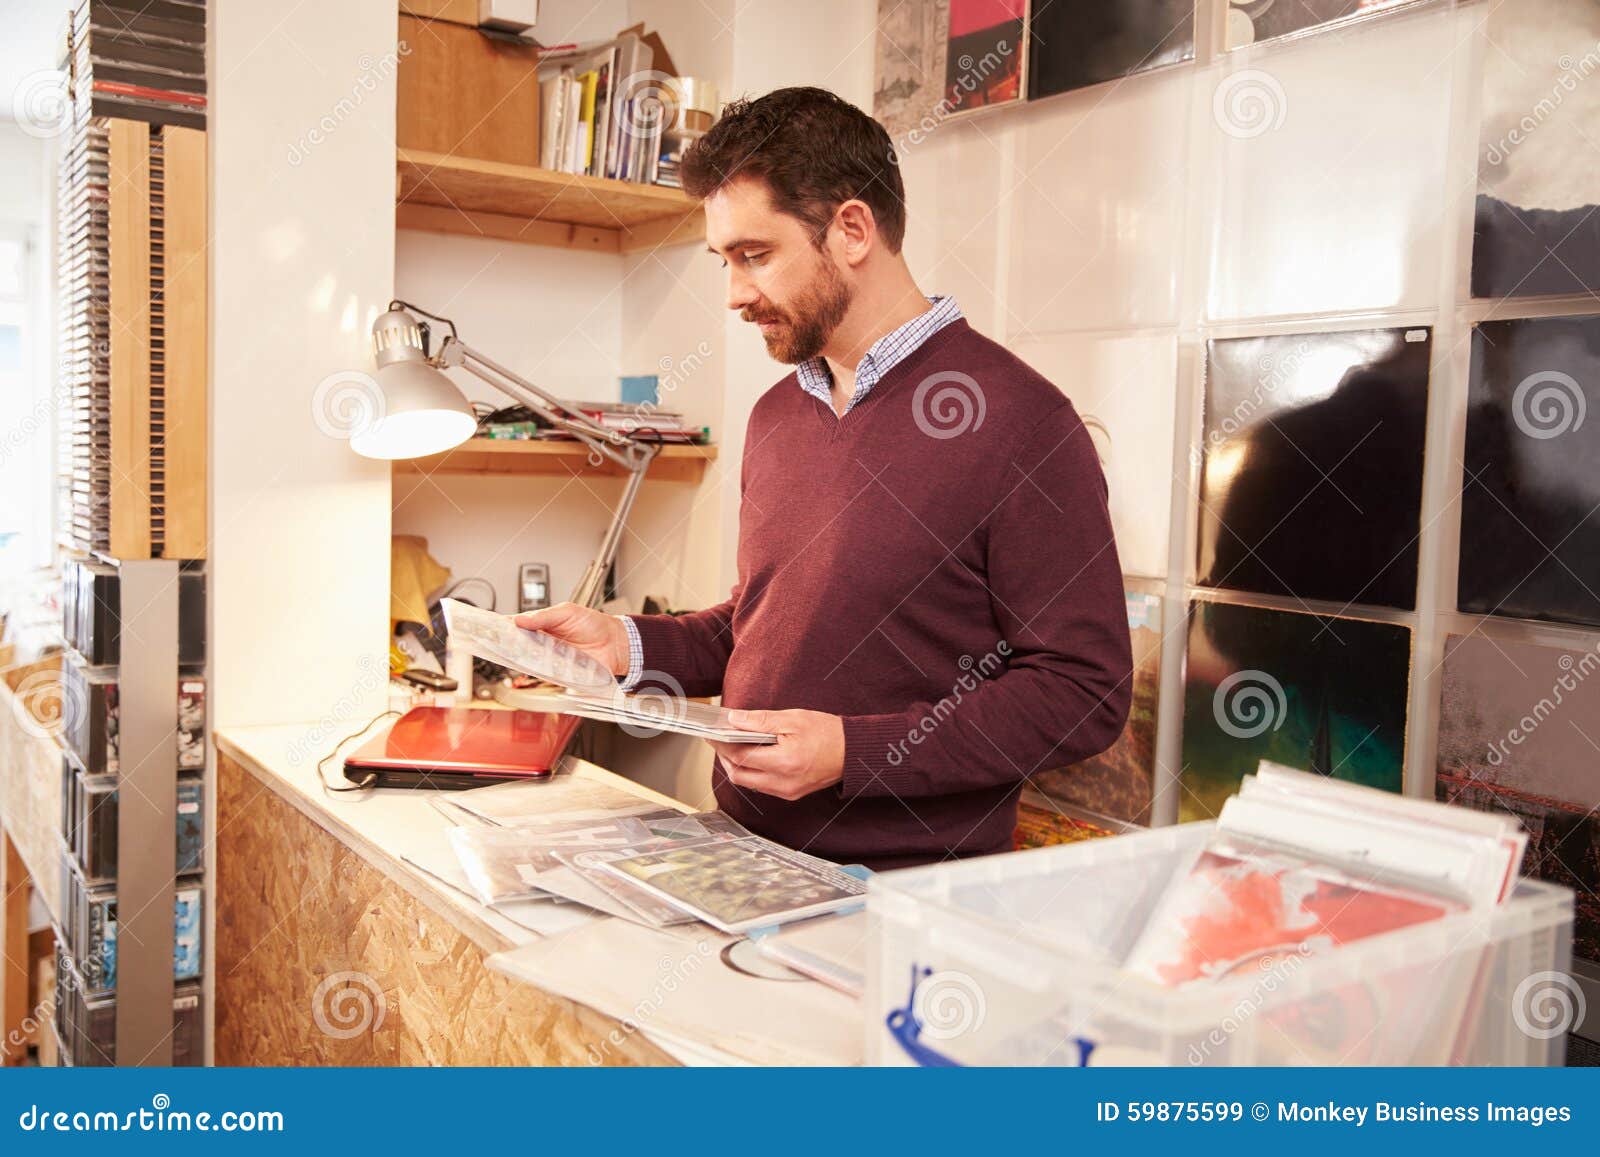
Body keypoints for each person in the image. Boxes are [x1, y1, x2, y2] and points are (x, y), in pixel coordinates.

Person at [518, 86, 1132, 871]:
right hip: (740, 854)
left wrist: (854, 750)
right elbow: (765, 622)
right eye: (726, 261)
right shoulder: (776, 416)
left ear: (851, 229)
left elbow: (1085, 690)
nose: (736, 293)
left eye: (755, 255)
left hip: (905, 891)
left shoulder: (1023, 422)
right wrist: (626, 643)